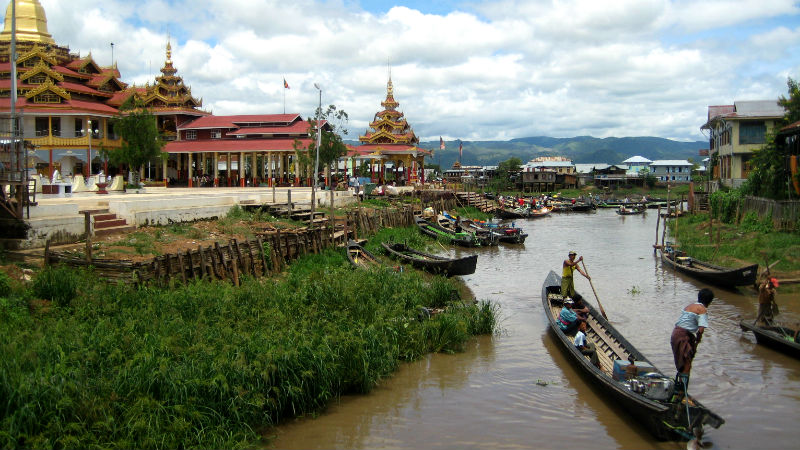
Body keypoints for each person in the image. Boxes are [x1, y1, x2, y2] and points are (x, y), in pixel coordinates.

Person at [670, 288, 714, 395]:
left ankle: (679, 390)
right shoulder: (702, 309)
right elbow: (701, 329)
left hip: (675, 333)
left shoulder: (690, 306)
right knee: (687, 365)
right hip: (683, 336)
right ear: (709, 301)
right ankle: (681, 393)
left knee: (682, 362)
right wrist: (698, 340)